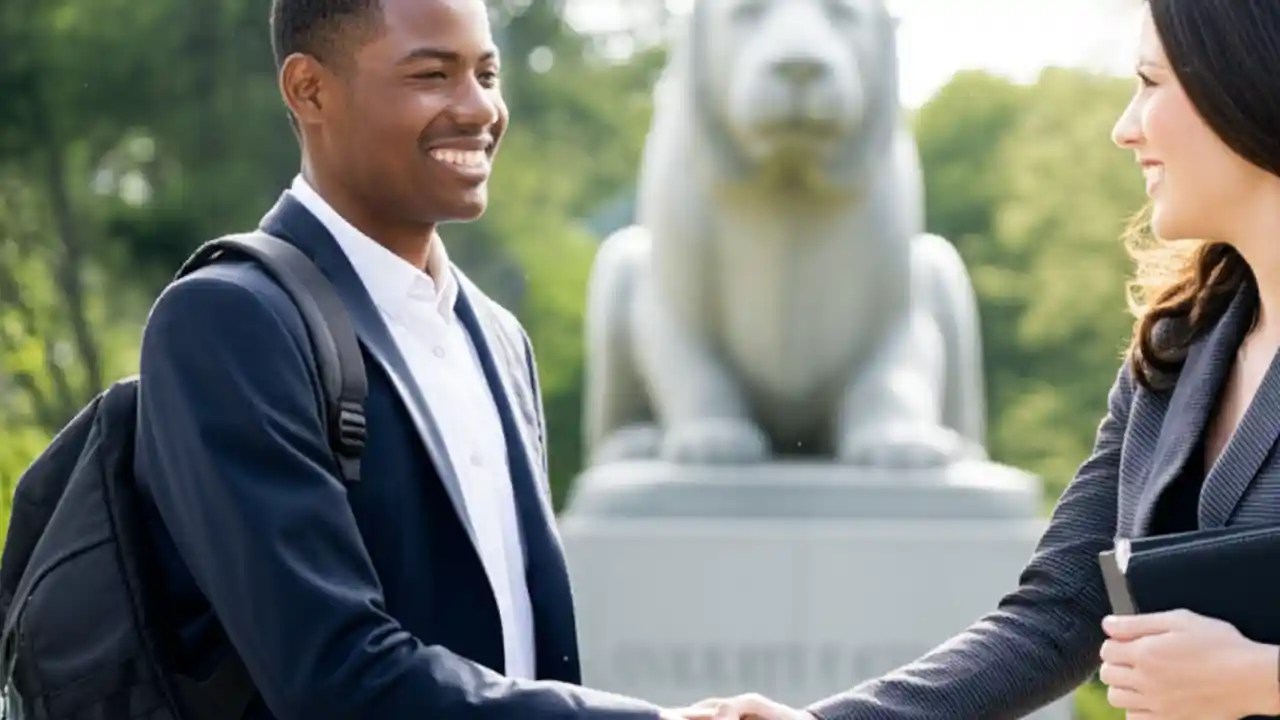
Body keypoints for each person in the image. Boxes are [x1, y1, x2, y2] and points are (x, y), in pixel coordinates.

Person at [690, 1, 1280, 718]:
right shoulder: (1175, 350)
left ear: (1246, 78)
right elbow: (1058, 615)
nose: (1124, 128)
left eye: (1151, 83)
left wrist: (1264, 681)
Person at [132, 0, 709, 718]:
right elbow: (332, 671)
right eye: (433, 75)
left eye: (488, 73)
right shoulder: (230, 320)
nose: (480, 110)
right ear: (309, 89)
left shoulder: (496, 337)